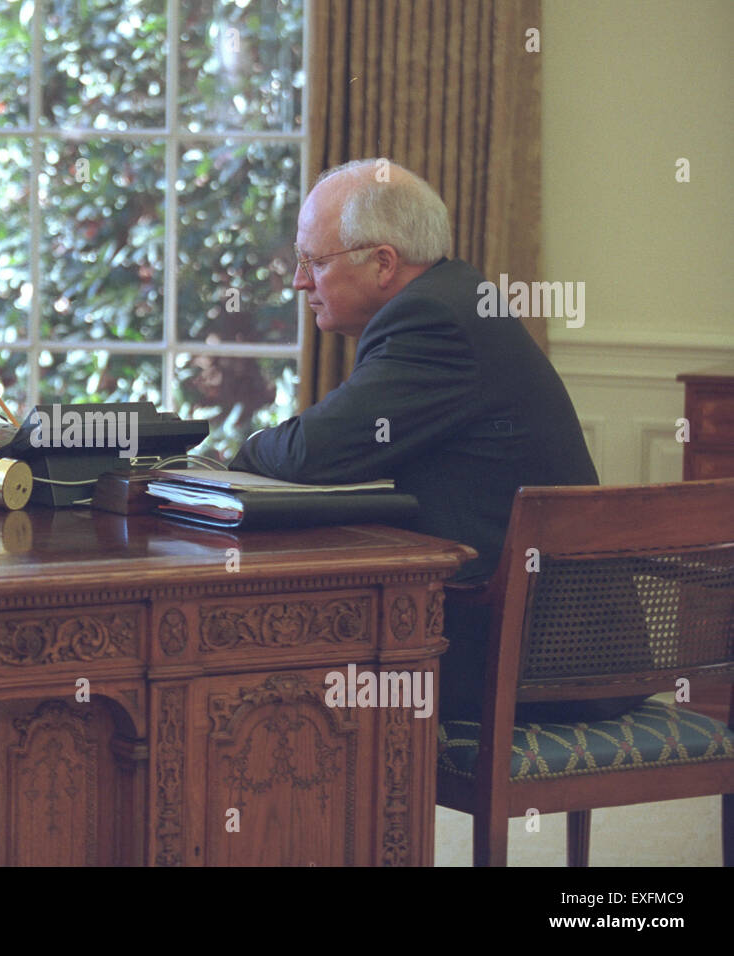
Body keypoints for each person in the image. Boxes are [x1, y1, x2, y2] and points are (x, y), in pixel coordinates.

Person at [230, 158, 643, 722]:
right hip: (538, 634)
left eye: (313, 262)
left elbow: (313, 452)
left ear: (382, 263)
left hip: (538, 660)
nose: (302, 281)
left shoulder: (433, 320)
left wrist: (242, 453)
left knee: (277, 686)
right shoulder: (455, 297)